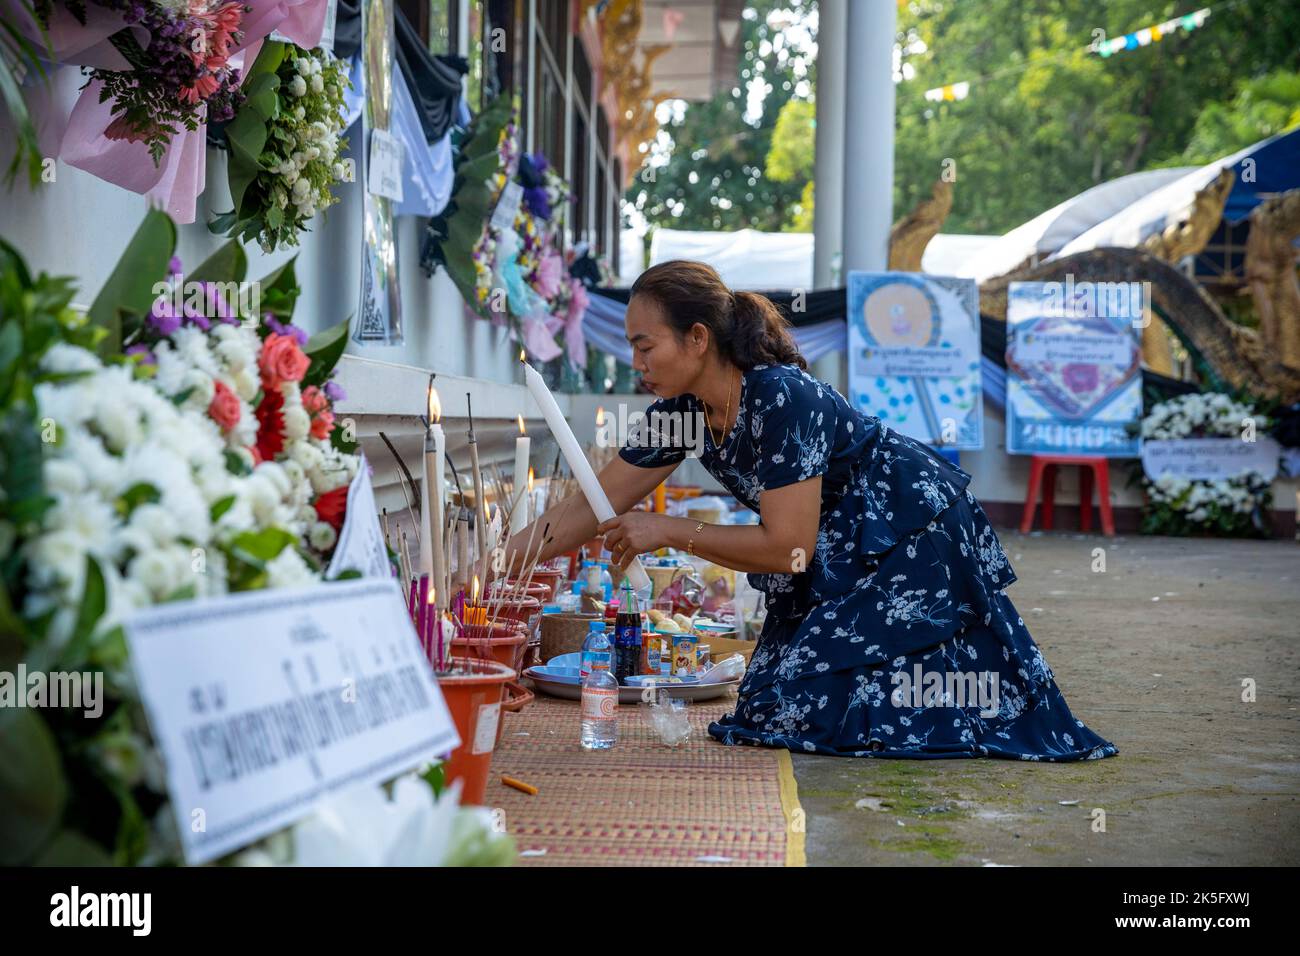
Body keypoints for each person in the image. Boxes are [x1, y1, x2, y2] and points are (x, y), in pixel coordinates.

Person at [504, 260, 1117, 760]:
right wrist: (496, 563)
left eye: (645, 346)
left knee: (825, 711)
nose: (635, 364)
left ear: (697, 339)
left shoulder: (780, 397)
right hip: (832, 548)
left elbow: (787, 549)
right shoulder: (681, 415)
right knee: (772, 708)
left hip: (908, 531)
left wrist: (667, 530)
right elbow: (593, 502)